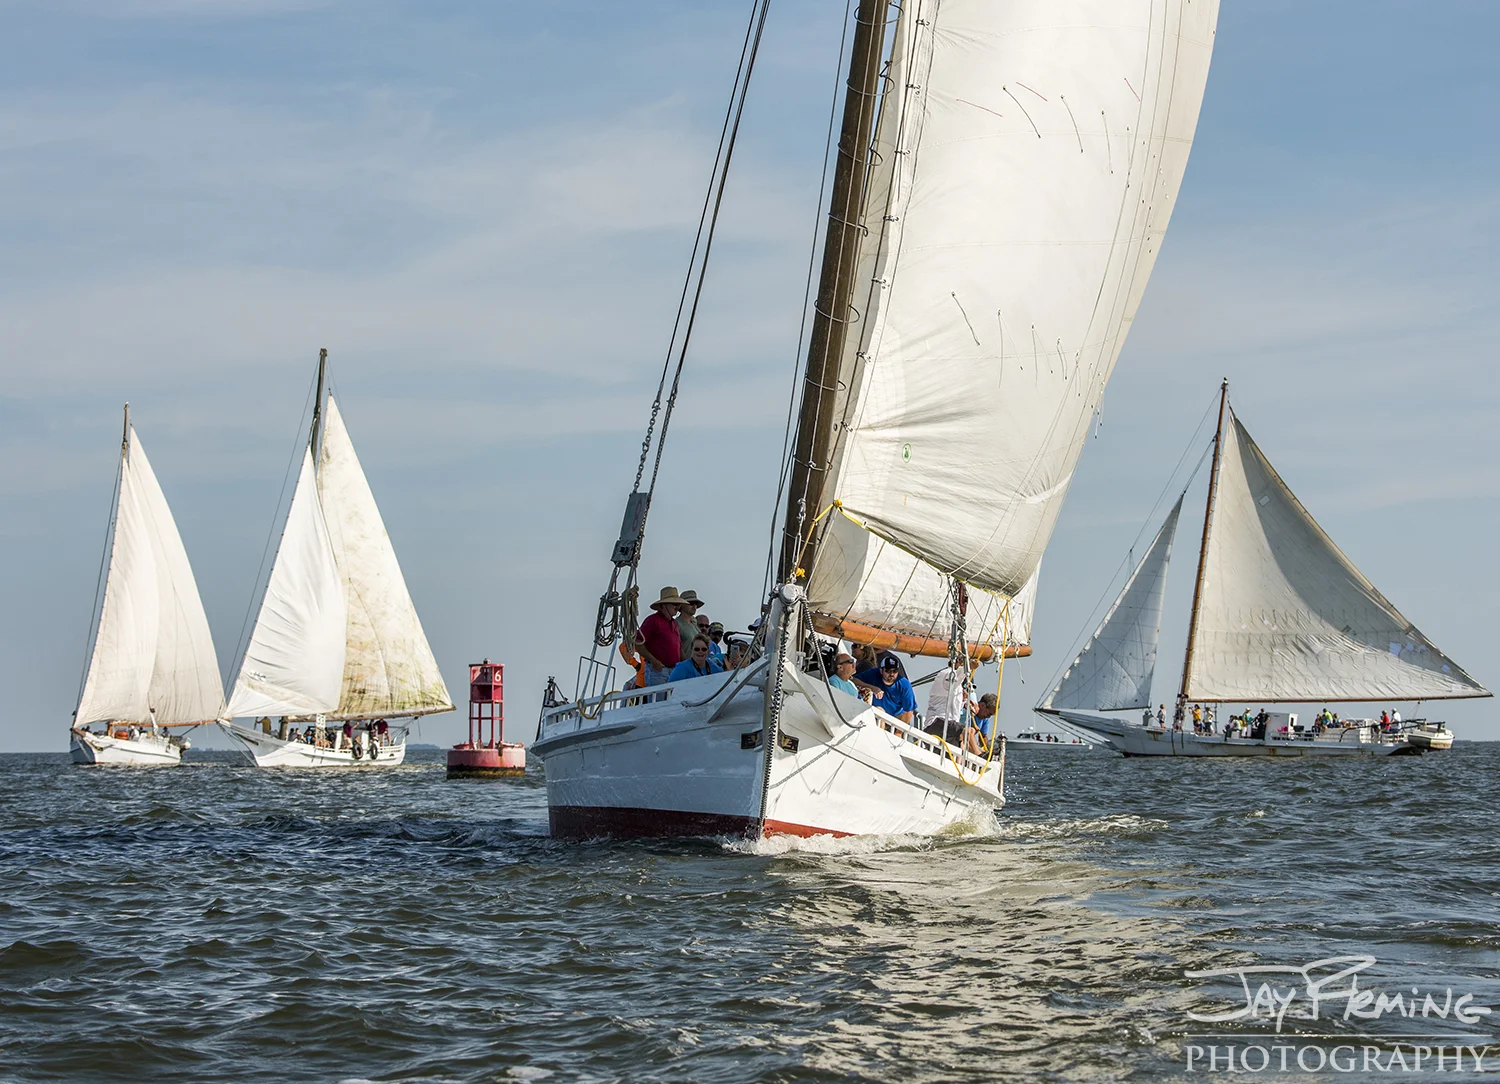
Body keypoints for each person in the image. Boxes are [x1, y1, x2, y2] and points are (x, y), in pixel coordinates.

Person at [637, 587, 688, 686]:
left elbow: (679, 648)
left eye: (678, 604)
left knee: (672, 701)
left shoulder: (674, 623)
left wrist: (687, 664)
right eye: (674, 604)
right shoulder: (653, 620)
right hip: (658, 671)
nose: (677, 607)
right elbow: (638, 643)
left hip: (674, 671)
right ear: (664, 605)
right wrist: (654, 661)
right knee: (659, 700)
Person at [853, 654, 917, 724]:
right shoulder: (873, 674)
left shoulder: (904, 685)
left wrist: (899, 733)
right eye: (888, 671)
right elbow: (853, 680)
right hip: (877, 714)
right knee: (879, 711)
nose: (891, 674)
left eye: (895, 671)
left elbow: (909, 711)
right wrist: (871, 687)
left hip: (897, 718)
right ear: (881, 671)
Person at [677, 589, 707, 658]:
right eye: (691, 603)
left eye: (696, 604)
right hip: (684, 666)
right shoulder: (676, 624)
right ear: (682, 605)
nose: (694, 607)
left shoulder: (694, 625)